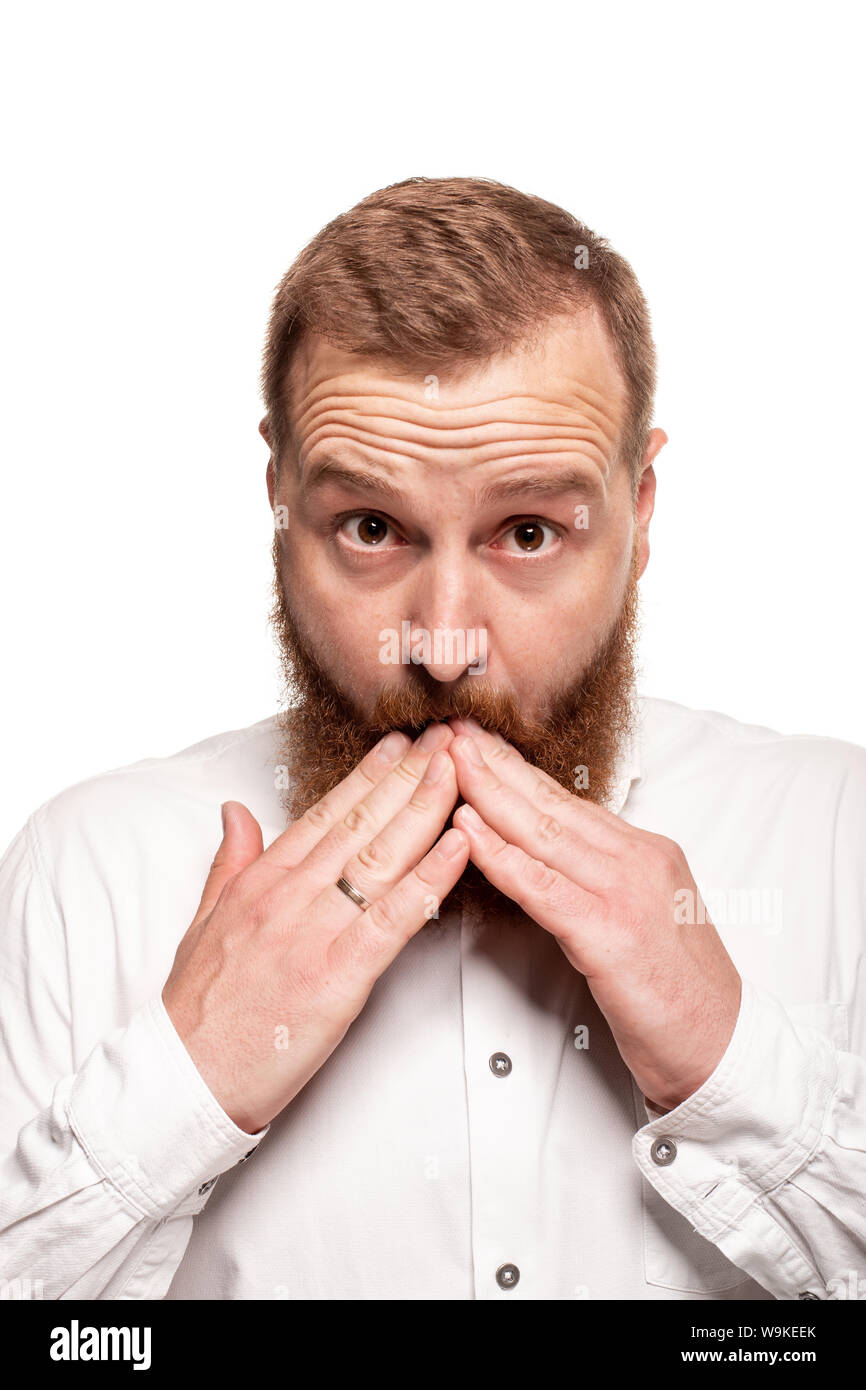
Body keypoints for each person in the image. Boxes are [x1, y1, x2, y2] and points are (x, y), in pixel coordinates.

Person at [1, 175, 864, 1302]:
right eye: (369, 527)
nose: (444, 640)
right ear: (278, 498)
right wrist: (185, 1080)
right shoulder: (89, 870)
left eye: (526, 530)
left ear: (639, 509)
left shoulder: (832, 835)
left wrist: (729, 1057)